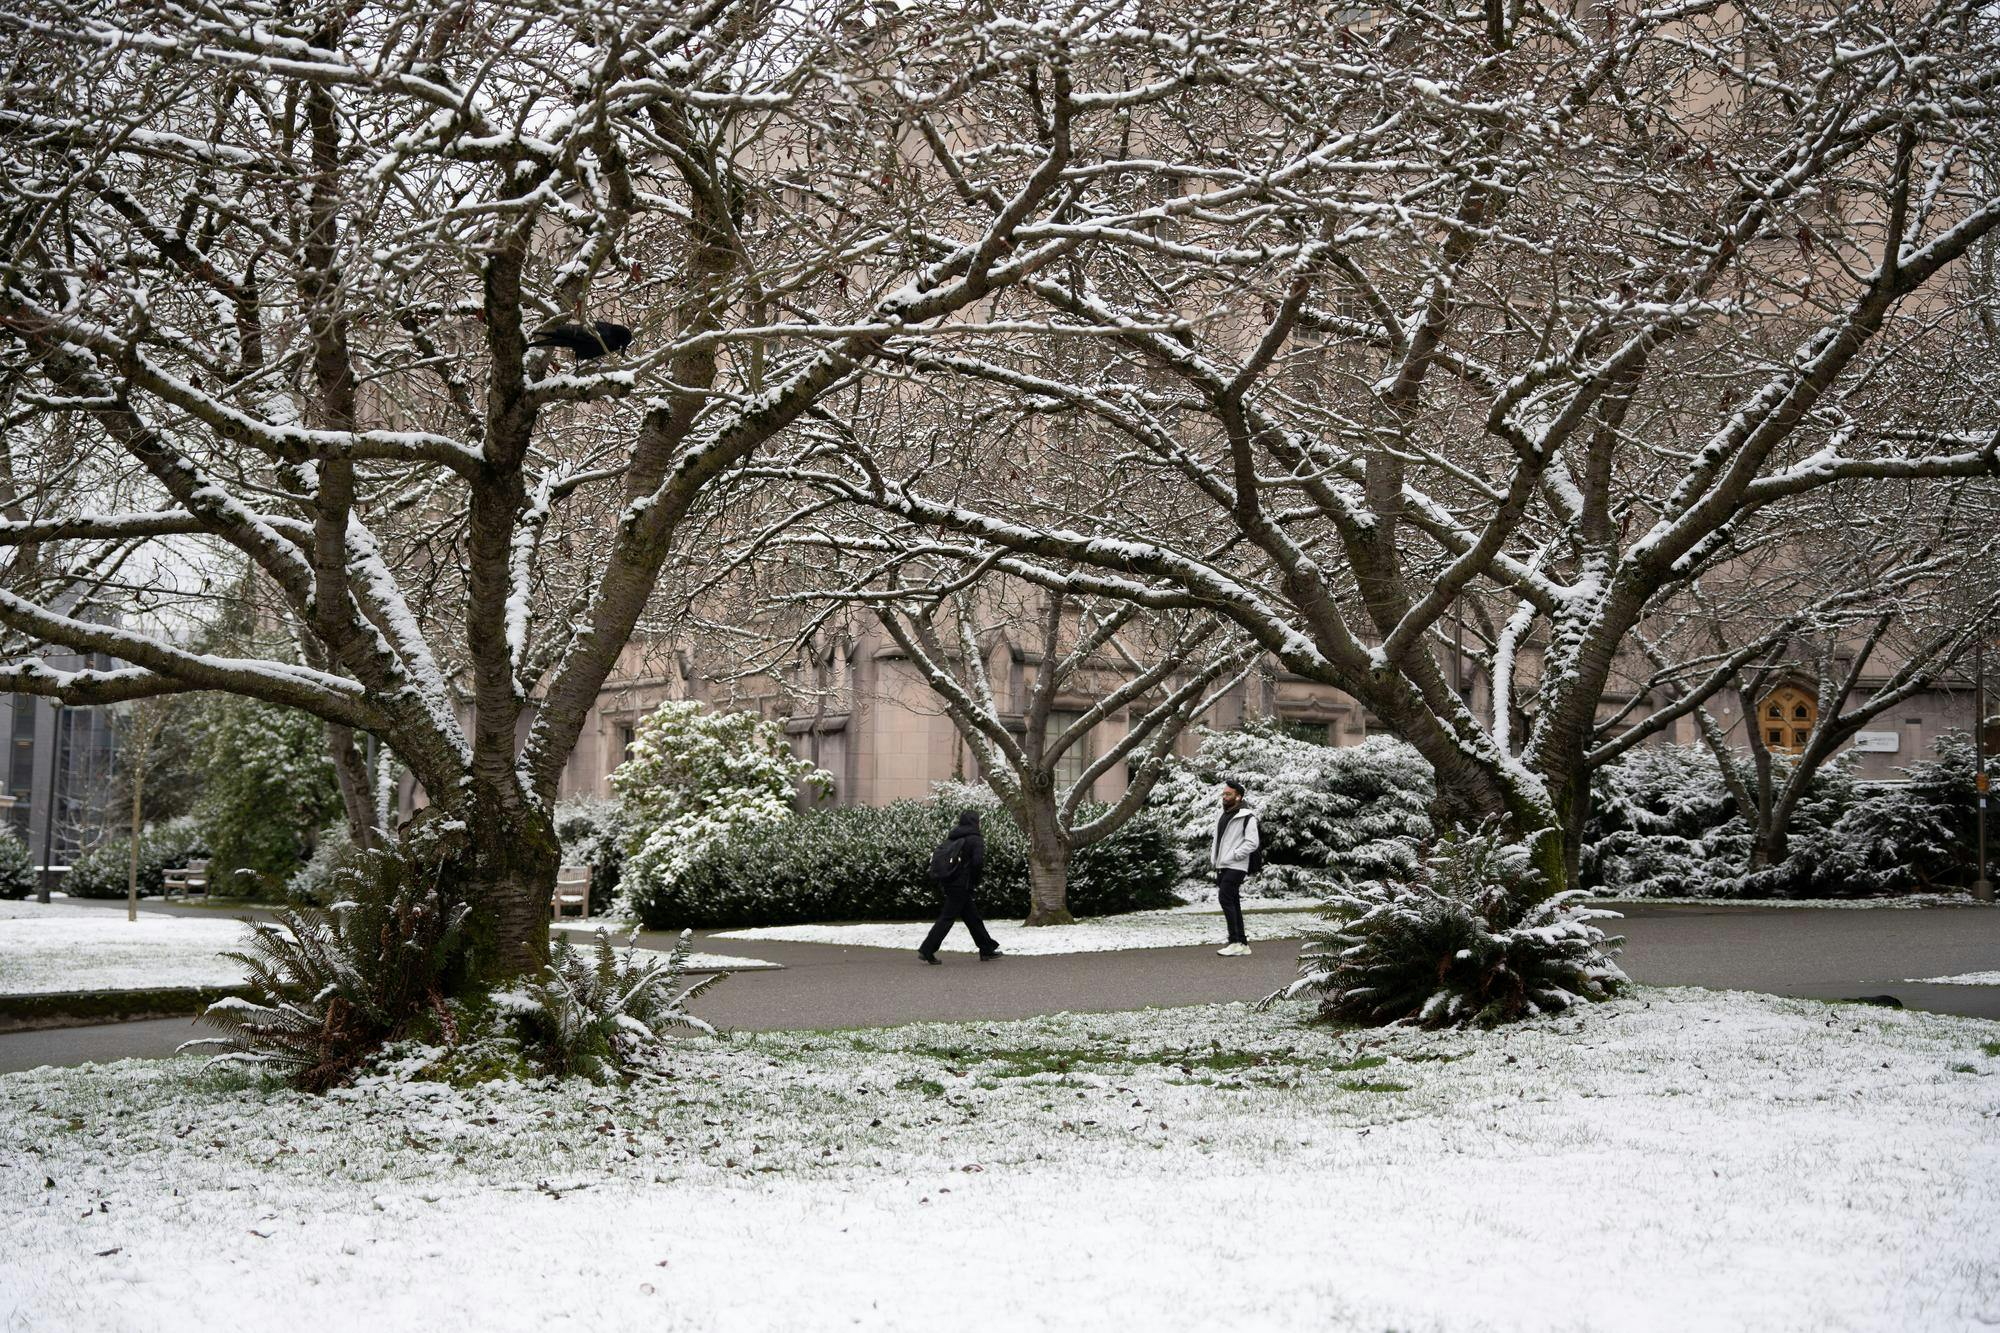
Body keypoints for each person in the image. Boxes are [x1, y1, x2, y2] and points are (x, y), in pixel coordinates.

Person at [919, 809, 1003, 964]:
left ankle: (986, 948)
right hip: (962, 884)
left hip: (950, 881)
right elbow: (977, 863)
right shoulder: (975, 839)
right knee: (947, 917)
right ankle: (927, 949)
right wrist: (974, 881)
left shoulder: (953, 836)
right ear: (975, 822)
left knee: (972, 917)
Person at [1210, 778, 1261, 956]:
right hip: (1222, 865)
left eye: (1228, 794)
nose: (1224, 796)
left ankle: (1234, 941)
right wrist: (1215, 859)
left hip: (1236, 865)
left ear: (1238, 797)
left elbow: (1252, 842)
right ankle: (1243, 944)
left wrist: (1234, 855)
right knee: (1233, 902)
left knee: (1225, 899)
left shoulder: (1247, 817)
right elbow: (1218, 841)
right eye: (1224, 793)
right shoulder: (1223, 815)